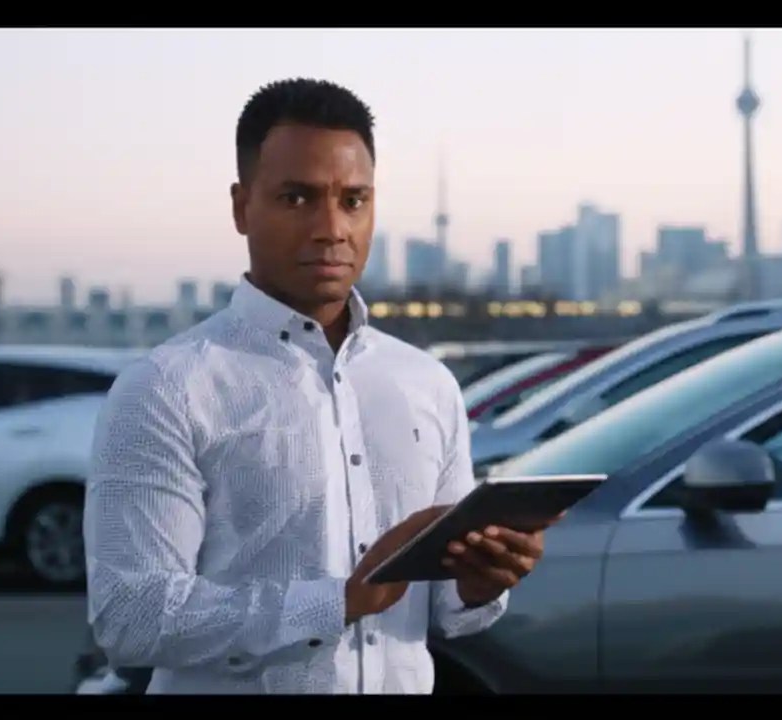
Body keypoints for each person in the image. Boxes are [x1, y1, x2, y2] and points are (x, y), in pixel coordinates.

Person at [82, 77, 552, 695]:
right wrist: (335, 603)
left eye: (354, 200)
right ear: (241, 206)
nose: (332, 227)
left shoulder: (427, 386)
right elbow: (130, 616)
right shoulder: (167, 388)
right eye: (298, 198)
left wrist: (481, 585)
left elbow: (444, 614)